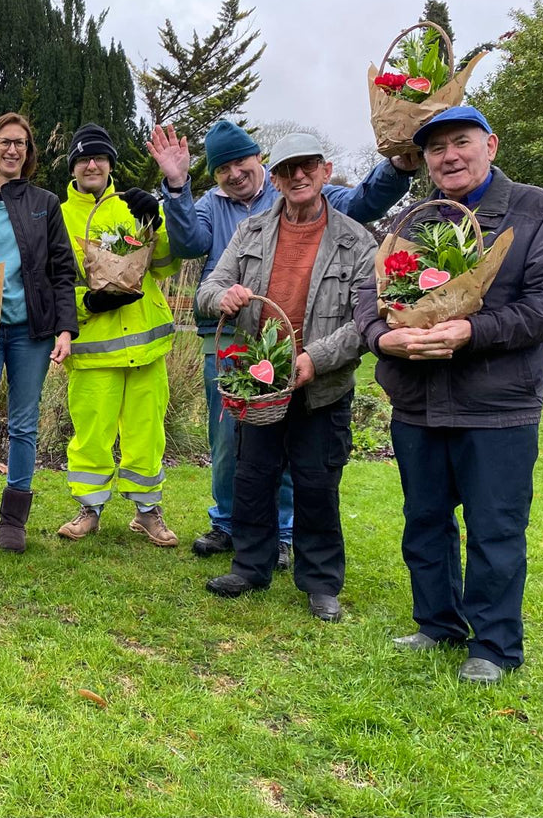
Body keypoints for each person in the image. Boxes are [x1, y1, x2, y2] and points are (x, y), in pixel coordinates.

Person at [355, 106, 543, 682]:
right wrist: (386, 338)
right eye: (436, 149)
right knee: (424, 519)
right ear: (424, 161)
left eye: (461, 142)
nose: (449, 156)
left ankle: (496, 645)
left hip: (497, 405)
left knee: (495, 526)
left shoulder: (535, 210)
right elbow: (367, 292)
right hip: (418, 402)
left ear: (491, 145)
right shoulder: (416, 218)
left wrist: (472, 330)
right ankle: (437, 624)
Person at [153, 120, 417, 570]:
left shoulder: (324, 208)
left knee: (305, 455)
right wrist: (177, 185)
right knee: (235, 446)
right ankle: (232, 527)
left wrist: (395, 165)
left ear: (262, 163)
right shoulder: (218, 212)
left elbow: (364, 203)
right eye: (222, 168)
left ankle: (287, 536)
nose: (234, 173)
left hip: (314, 348)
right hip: (236, 341)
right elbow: (191, 247)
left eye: (240, 161)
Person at [195, 133, 376, 622]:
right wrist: (222, 298)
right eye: (287, 169)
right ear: (274, 179)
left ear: (325, 171)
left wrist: (314, 359)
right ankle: (250, 566)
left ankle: (320, 583)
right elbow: (208, 287)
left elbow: (366, 321)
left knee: (317, 483)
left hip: (322, 383)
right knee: (253, 477)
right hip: (261, 381)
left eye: (307, 167)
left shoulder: (357, 240)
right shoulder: (251, 232)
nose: (297, 176)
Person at [0, 112, 78, 552]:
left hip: (31, 332)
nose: (11, 150)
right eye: (4, 142)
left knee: (24, 425)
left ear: (28, 151)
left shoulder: (46, 202)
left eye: (20, 143)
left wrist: (65, 329)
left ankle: (13, 520)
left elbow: (63, 271)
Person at [57, 124, 181, 546]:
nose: (92, 164)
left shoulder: (132, 205)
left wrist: (153, 220)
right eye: (83, 158)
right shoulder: (60, 216)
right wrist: (85, 304)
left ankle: (147, 512)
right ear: (73, 167)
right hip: (93, 350)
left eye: (99, 157)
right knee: (91, 432)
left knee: (147, 431)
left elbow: (164, 265)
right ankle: (89, 508)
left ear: (110, 163)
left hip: (147, 346)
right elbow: (53, 284)